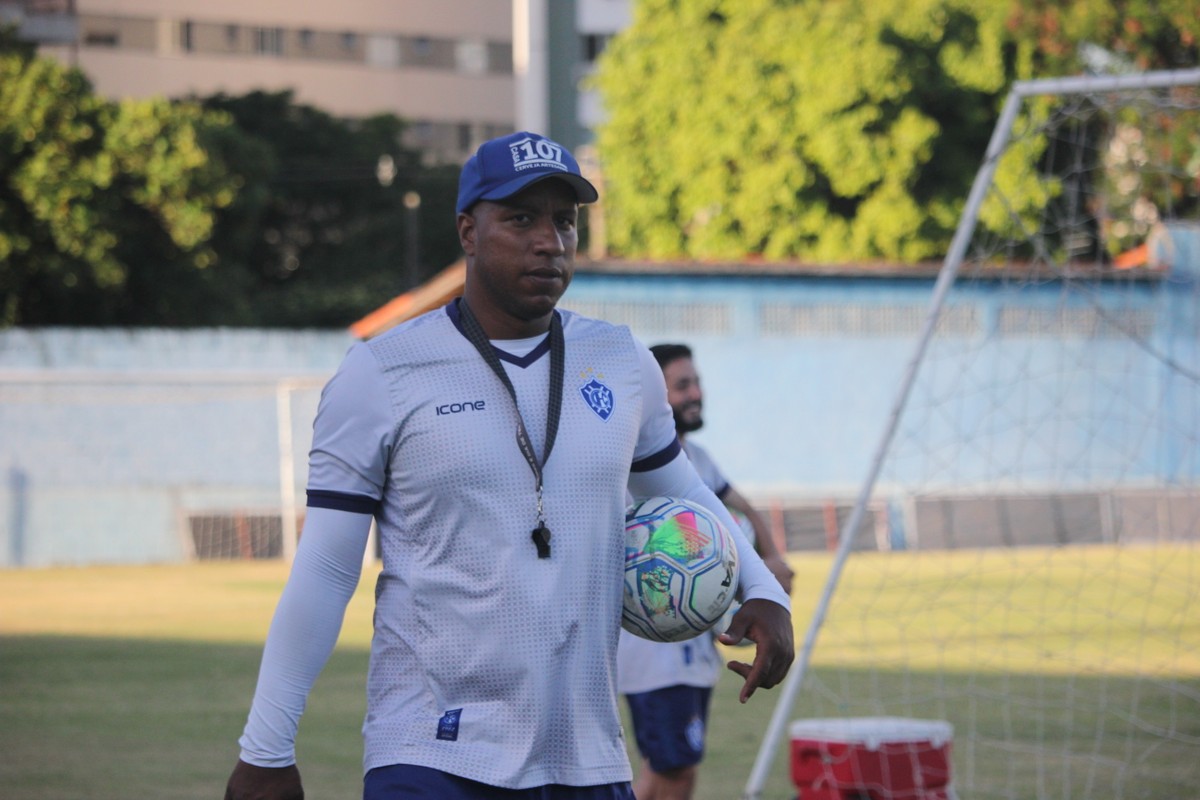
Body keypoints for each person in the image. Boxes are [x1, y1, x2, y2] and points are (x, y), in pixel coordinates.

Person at [223, 131, 794, 800]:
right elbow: (325, 568)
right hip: (430, 753)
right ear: (469, 230)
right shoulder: (381, 373)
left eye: (564, 220)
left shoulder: (621, 361)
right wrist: (266, 747)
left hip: (586, 757)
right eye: (521, 218)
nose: (548, 240)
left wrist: (764, 590)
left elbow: (683, 491)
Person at [617, 344, 794, 800]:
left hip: (692, 651)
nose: (695, 394)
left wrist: (769, 566)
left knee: (675, 770)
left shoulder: (698, 458)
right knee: (674, 771)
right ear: (657, 395)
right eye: (681, 386)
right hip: (657, 654)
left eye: (696, 383)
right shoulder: (631, 463)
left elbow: (737, 503)